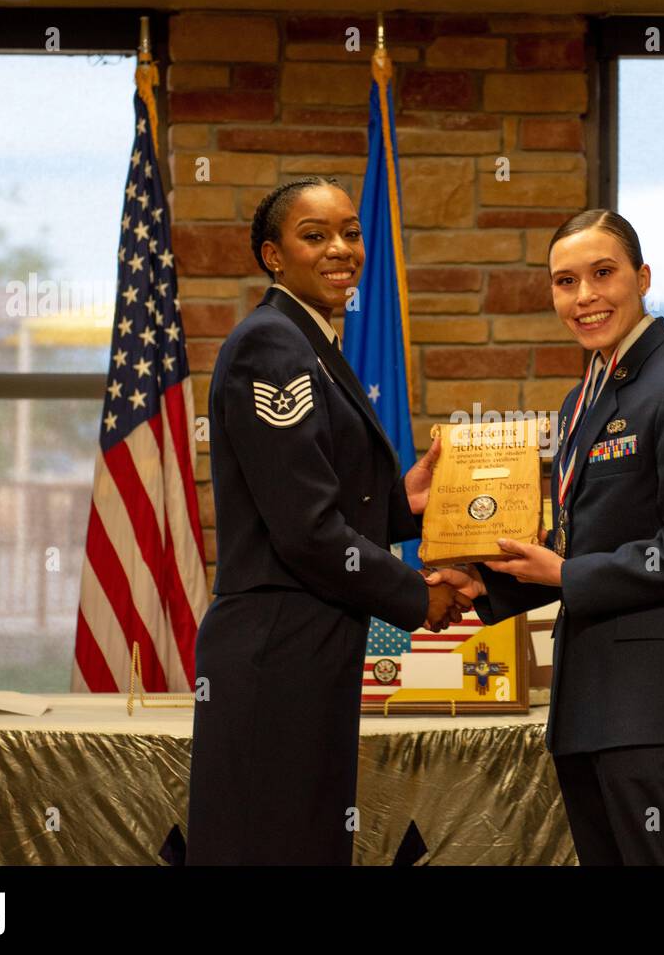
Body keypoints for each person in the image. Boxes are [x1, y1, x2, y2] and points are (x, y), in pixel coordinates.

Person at [428, 209, 664, 865]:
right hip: (592, 711)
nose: (585, 297)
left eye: (603, 274)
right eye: (565, 281)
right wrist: (484, 586)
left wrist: (565, 574)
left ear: (643, 277)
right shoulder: (583, 400)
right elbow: (575, 550)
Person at [186, 177, 467, 865]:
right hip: (276, 650)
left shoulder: (308, 341)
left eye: (350, 231)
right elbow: (308, 531)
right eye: (316, 235)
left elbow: (314, 498)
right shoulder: (271, 347)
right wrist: (417, 596)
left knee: (303, 842)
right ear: (272, 256)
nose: (342, 248)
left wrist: (405, 503)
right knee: (273, 846)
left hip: (302, 647)